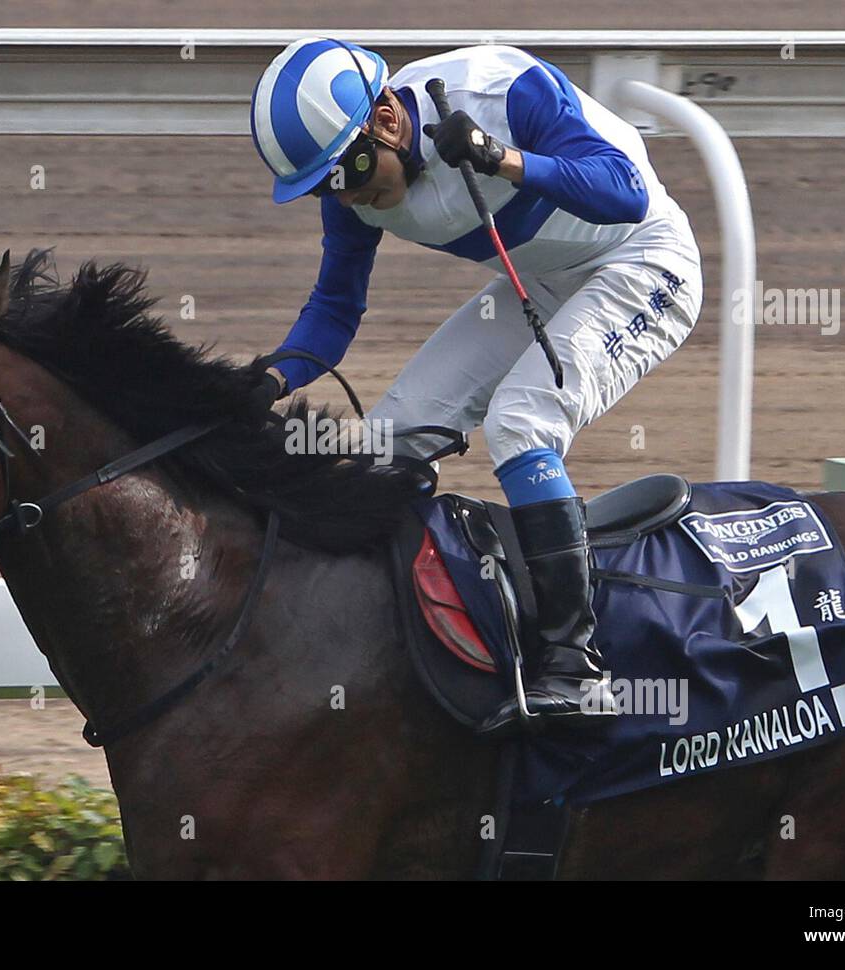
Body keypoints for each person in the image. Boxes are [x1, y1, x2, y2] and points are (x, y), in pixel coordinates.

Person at [247, 38, 703, 736]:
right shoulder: (348, 177)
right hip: (546, 282)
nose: (347, 192)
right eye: (325, 185)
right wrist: (270, 378)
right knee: (388, 440)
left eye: (353, 168)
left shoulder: (500, 88)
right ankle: (407, 632)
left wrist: (500, 156)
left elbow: (624, 191)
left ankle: (576, 669)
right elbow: (335, 309)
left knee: (521, 420)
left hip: (644, 260)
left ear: (387, 120)